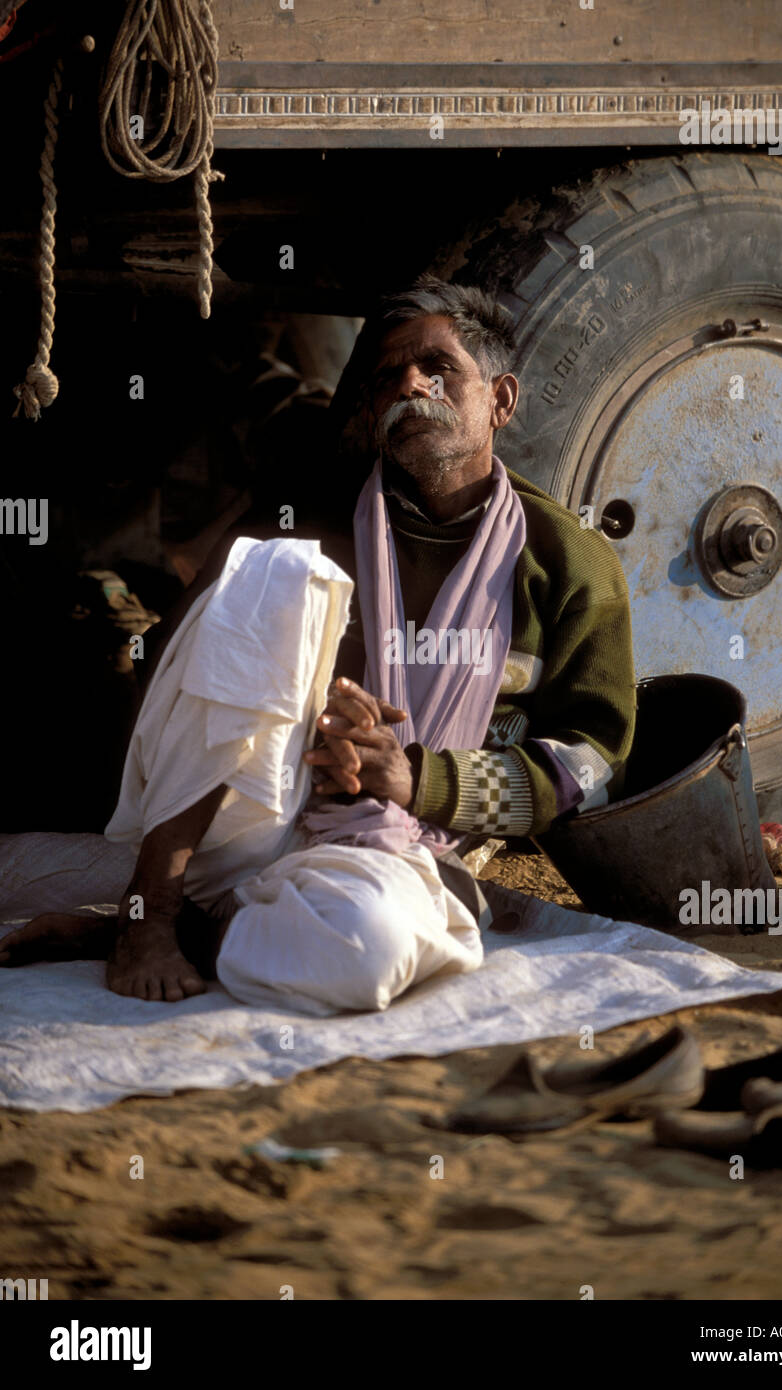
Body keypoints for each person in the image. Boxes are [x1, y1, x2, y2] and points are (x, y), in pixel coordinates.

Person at [0, 277, 636, 1012]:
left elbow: (593, 764)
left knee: (365, 953)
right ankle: (154, 908)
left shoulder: (565, 556)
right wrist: (303, 714)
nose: (410, 384)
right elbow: (185, 674)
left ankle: (163, 930)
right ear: (370, 415)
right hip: (251, 810)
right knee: (277, 567)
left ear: (500, 400)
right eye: (387, 378)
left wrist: (417, 780)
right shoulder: (320, 518)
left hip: (406, 841)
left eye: (438, 368)